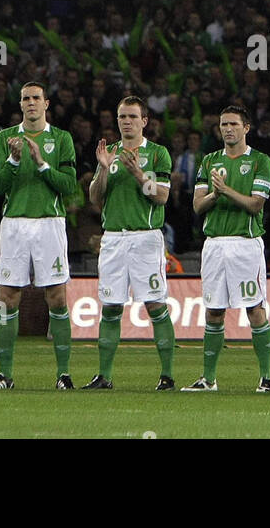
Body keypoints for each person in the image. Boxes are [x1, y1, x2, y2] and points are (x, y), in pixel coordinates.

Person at [0, 81, 79, 389]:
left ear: (46, 103)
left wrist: (40, 163)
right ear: (20, 104)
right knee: (6, 298)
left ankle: (64, 374)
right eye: (25, 98)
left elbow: (68, 186)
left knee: (56, 296)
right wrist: (13, 160)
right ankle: (4, 374)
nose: (30, 103)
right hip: (14, 224)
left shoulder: (62, 139)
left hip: (50, 223)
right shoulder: (4, 138)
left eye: (36, 98)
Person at [83, 96, 177, 391]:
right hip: (113, 238)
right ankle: (104, 376)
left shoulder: (158, 154)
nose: (126, 122)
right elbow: (95, 200)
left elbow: (160, 196)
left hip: (145, 238)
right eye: (122, 116)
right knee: (110, 307)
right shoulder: (108, 153)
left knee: (155, 304)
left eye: (133, 117)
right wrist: (102, 169)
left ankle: (167, 375)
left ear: (144, 121)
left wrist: (138, 173)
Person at [183, 106, 270, 392]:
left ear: (246, 127)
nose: (227, 129)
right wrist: (214, 193)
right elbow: (198, 206)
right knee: (213, 311)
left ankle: (266, 378)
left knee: (254, 309)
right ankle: (208, 379)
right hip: (214, 245)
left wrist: (225, 191)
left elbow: (255, 204)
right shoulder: (209, 161)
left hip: (245, 245)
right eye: (223, 124)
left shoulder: (260, 161)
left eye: (234, 124)